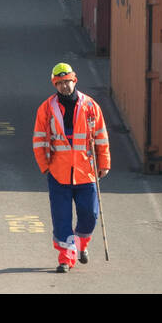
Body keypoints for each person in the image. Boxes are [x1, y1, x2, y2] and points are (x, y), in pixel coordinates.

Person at [33, 63, 110, 273]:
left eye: (67, 81)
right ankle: (65, 258)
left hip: (86, 173)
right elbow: (39, 139)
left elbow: (101, 137)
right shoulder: (47, 108)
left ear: (74, 81)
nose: (64, 86)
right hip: (58, 174)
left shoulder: (91, 106)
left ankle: (80, 245)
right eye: (59, 83)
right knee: (61, 220)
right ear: (55, 85)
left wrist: (104, 164)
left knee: (90, 215)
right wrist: (45, 167)